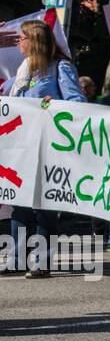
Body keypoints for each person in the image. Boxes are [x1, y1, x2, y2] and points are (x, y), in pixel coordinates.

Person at [8, 20, 86, 277]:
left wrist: (56, 106)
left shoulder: (60, 67)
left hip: (49, 147)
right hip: (22, 146)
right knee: (19, 203)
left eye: (22, 37)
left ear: (35, 40)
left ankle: (42, 260)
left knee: (45, 203)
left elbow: (77, 102)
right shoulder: (22, 72)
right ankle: (16, 257)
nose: (19, 42)